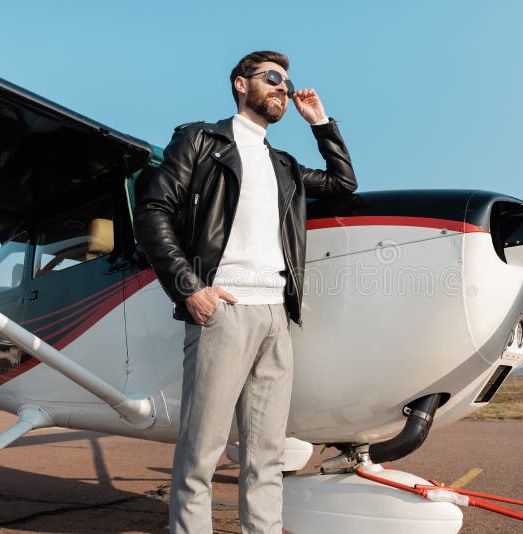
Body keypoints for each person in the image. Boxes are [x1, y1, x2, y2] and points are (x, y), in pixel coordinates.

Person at [132, 50, 357, 533]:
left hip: (275, 315)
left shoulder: (284, 165)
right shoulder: (199, 140)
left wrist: (321, 124)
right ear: (240, 84)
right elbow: (153, 211)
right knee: (201, 452)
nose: (282, 87)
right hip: (223, 312)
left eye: (287, 81)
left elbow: (343, 183)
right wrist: (189, 289)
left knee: (267, 456)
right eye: (272, 78)